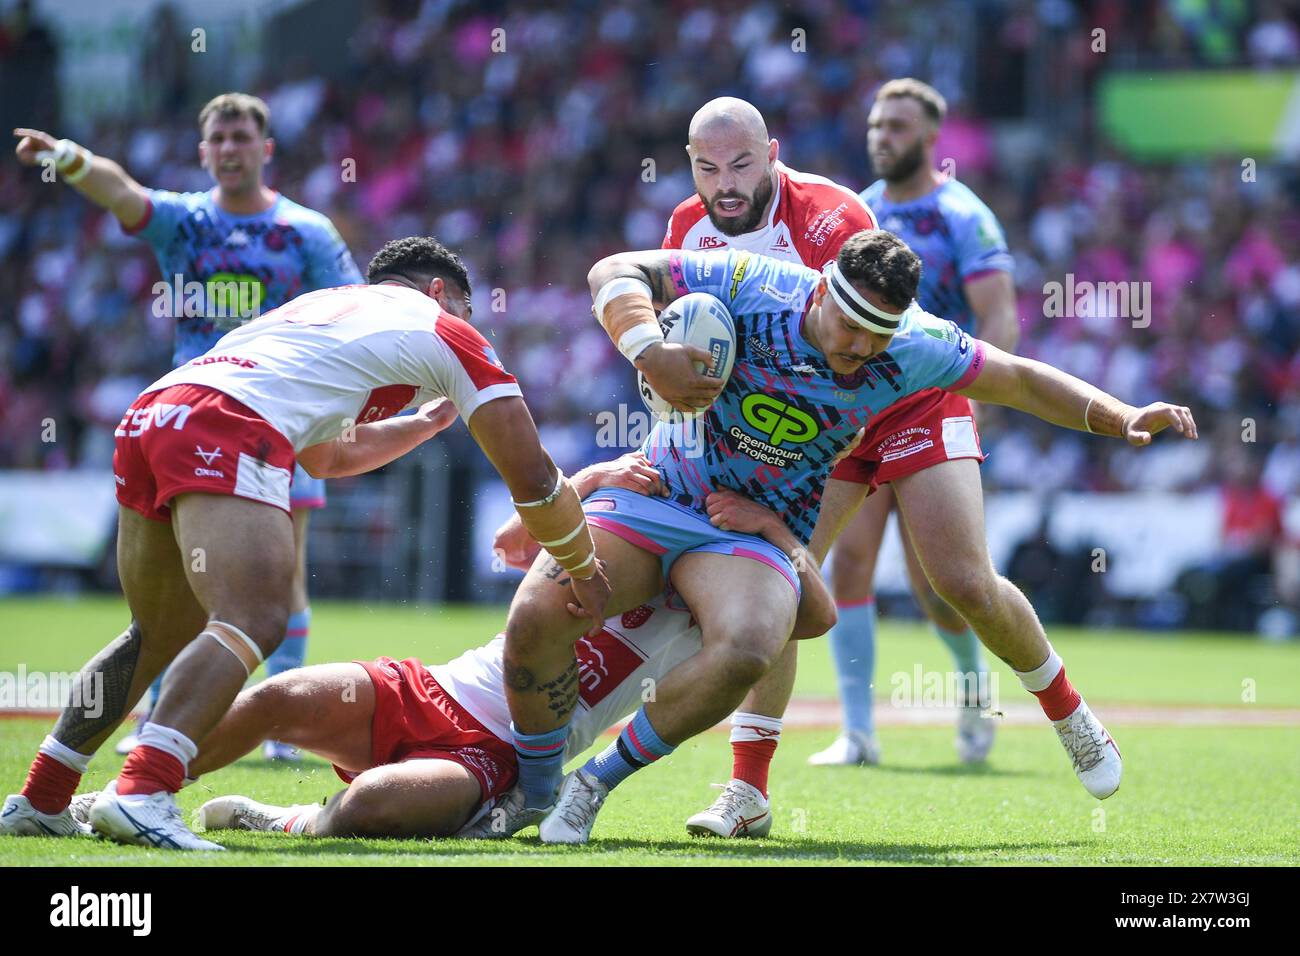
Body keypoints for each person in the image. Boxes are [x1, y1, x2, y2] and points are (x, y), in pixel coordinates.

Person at [505, 231, 1198, 845]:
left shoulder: (915, 346)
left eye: (879, 332)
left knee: (781, 633)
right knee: (543, 608)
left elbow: (1016, 378)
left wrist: (1119, 416)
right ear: (822, 292)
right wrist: (647, 348)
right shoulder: (752, 282)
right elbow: (614, 268)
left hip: (791, 501)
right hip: (667, 486)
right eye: (851, 324)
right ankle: (538, 793)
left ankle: (593, 783)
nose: (862, 347)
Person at [0, 237, 610, 850]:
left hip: (156, 412)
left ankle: (43, 796)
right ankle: (142, 791)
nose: (471, 328)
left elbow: (328, 455)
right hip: (230, 424)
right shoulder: (447, 330)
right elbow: (532, 477)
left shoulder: (321, 309)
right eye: (466, 311)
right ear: (438, 294)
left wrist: (421, 426)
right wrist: (583, 564)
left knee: (155, 633)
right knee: (257, 618)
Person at [13, 92, 363, 761]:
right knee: (175, 582)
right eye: (219, 140)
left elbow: (348, 309)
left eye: (242, 138)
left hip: (280, 422)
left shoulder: (307, 233)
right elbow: (125, 194)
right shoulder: (185, 220)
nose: (230, 149)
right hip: (193, 423)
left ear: (267, 150)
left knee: (283, 573)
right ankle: (155, 711)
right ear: (205, 153)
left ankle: (280, 722)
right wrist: (70, 158)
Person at [660, 95, 879, 833]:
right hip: (757, 425)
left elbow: (860, 353)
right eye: (706, 167)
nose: (723, 182)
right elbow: (686, 340)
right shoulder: (686, 227)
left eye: (742, 164)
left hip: (863, 406)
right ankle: (746, 790)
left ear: (774, 153)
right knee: (755, 590)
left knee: (962, 583)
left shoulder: (834, 219)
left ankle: (1065, 717)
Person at [809, 77, 1021, 770]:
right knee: (850, 561)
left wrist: (982, 409)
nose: (882, 137)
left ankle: (972, 689)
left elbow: (998, 319)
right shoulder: (859, 214)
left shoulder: (965, 216)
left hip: (936, 414)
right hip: (864, 415)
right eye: (876, 125)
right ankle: (859, 731)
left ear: (931, 139)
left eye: (897, 127)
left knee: (943, 587)